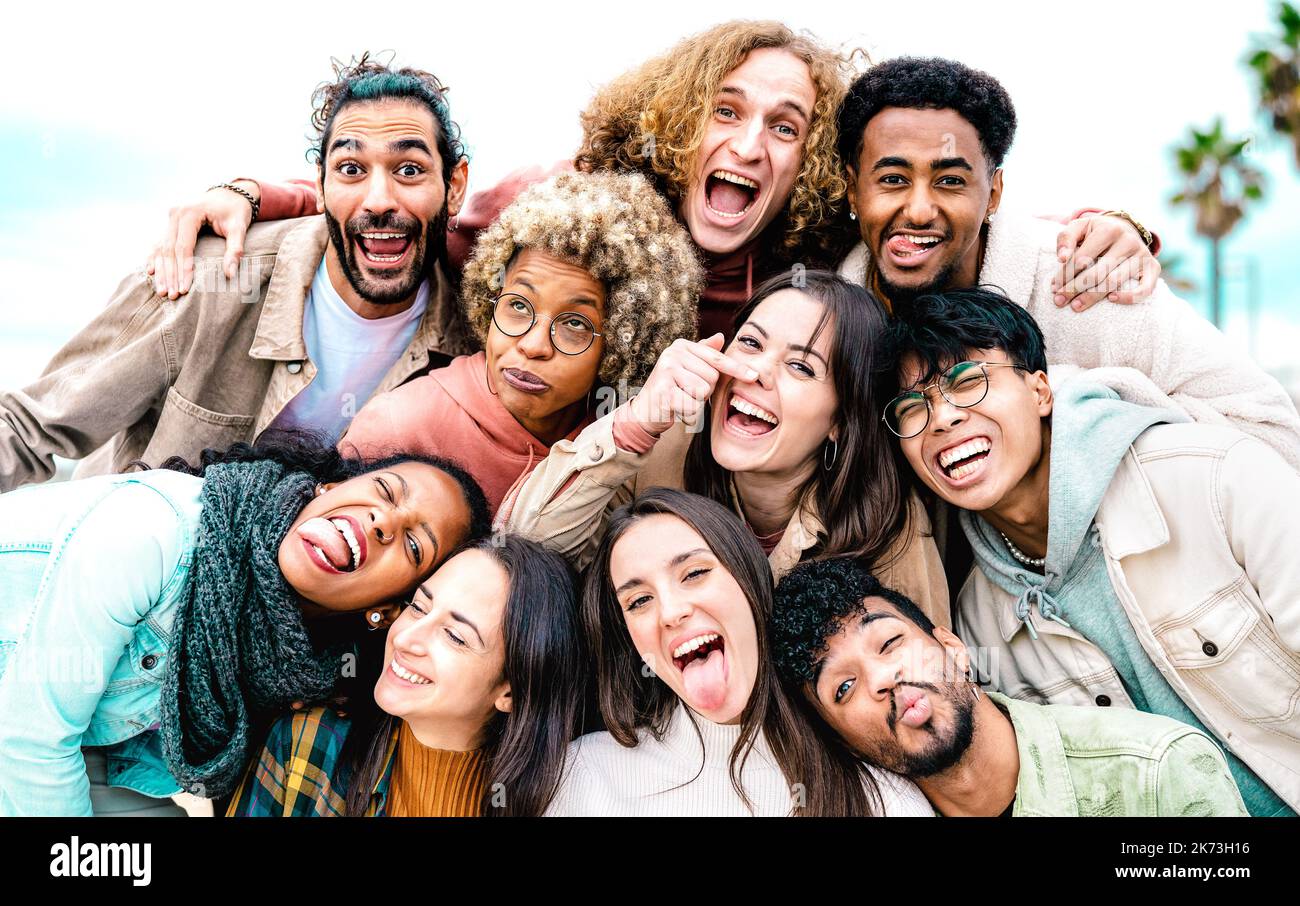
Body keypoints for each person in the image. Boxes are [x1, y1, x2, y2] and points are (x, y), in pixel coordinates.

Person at [149, 24, 1156, 337]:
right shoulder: (572, 201)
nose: (750, 144)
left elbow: (946, 203)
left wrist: (1116, 226)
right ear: (677, 123)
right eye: (725, 111)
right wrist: (256, 194)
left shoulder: (816, 252)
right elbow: (408, 205)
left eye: (784, 127)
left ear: (810, 163)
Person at [881, 287, 1299, 816]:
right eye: (913, 408)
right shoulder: (980, 625)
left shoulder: (1216, 479)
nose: (941, 419)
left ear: (1040, 392)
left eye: (967, 383)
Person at [0, 56, 477, 492]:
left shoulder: (477, 333)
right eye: (351, 168)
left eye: (410, 169)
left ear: (454, 186)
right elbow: (28, 429)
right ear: (321, 185)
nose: (378, 200)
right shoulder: (203, 280)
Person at [836, 56, 1300, 470]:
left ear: (993, 193)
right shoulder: (828, 320)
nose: (918, 210)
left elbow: (1276, 437)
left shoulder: (1090, 282)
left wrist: (1077, 404)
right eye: (893, 179)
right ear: (853, 188)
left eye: (951, 181)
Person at [0, 432, 491, 816]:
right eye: (385, 490)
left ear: (385, 610)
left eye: (413, 546)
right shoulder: (153, 531)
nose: (386, 521)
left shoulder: (297, 668)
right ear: (331, 487)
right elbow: (27, 740)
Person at [504, 270, 948, 623]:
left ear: (841, 421)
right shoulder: (662, 449)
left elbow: (922, 682)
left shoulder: (886, 518)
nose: (755, 372)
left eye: (800, 366)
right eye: (750, 343)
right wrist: (632, 424)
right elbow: (526, 552)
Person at [545, 488, 931, 816]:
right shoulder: (582, 777)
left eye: (694, 574)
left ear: (750, 581)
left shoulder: (881, 796)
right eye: (639, 600)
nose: (671, 612)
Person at [338, 170, 701, 515]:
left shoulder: (628, 445)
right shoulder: (396, 426)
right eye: (518, 306)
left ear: (622, 345)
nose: (533, 345)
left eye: (574, 323)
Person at [770, 557, 1248, 817]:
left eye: (890, 642)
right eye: (844, 686)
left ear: (953, 647)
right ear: (842, 742)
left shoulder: (1158, 769)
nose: (881, 678)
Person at [229, 535, 586, 817]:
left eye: (455, 636)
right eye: (418, 607)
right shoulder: (308, 743)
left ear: (512, 692)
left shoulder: (564, 803)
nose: (405, 637)